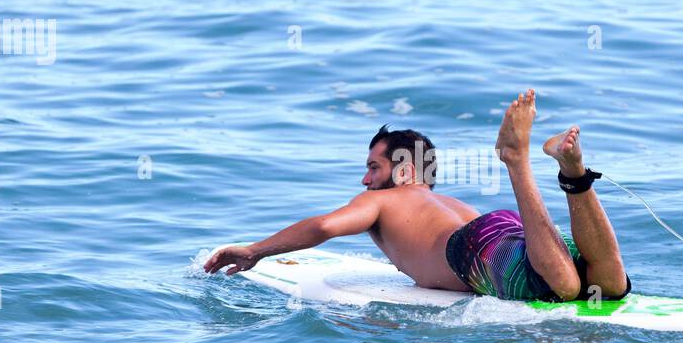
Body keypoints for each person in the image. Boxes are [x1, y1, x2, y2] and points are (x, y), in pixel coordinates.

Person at [203, 89, 631, 302]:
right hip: (514, 232)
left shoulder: (383, 201)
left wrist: (257, 250)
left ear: (405, 171)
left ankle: (515, 160)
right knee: (608, 283)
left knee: (560, 287)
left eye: (373, 167)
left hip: (475, 250)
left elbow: (323, 227)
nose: (365, 181)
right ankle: (574, 175)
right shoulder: (448, 205)